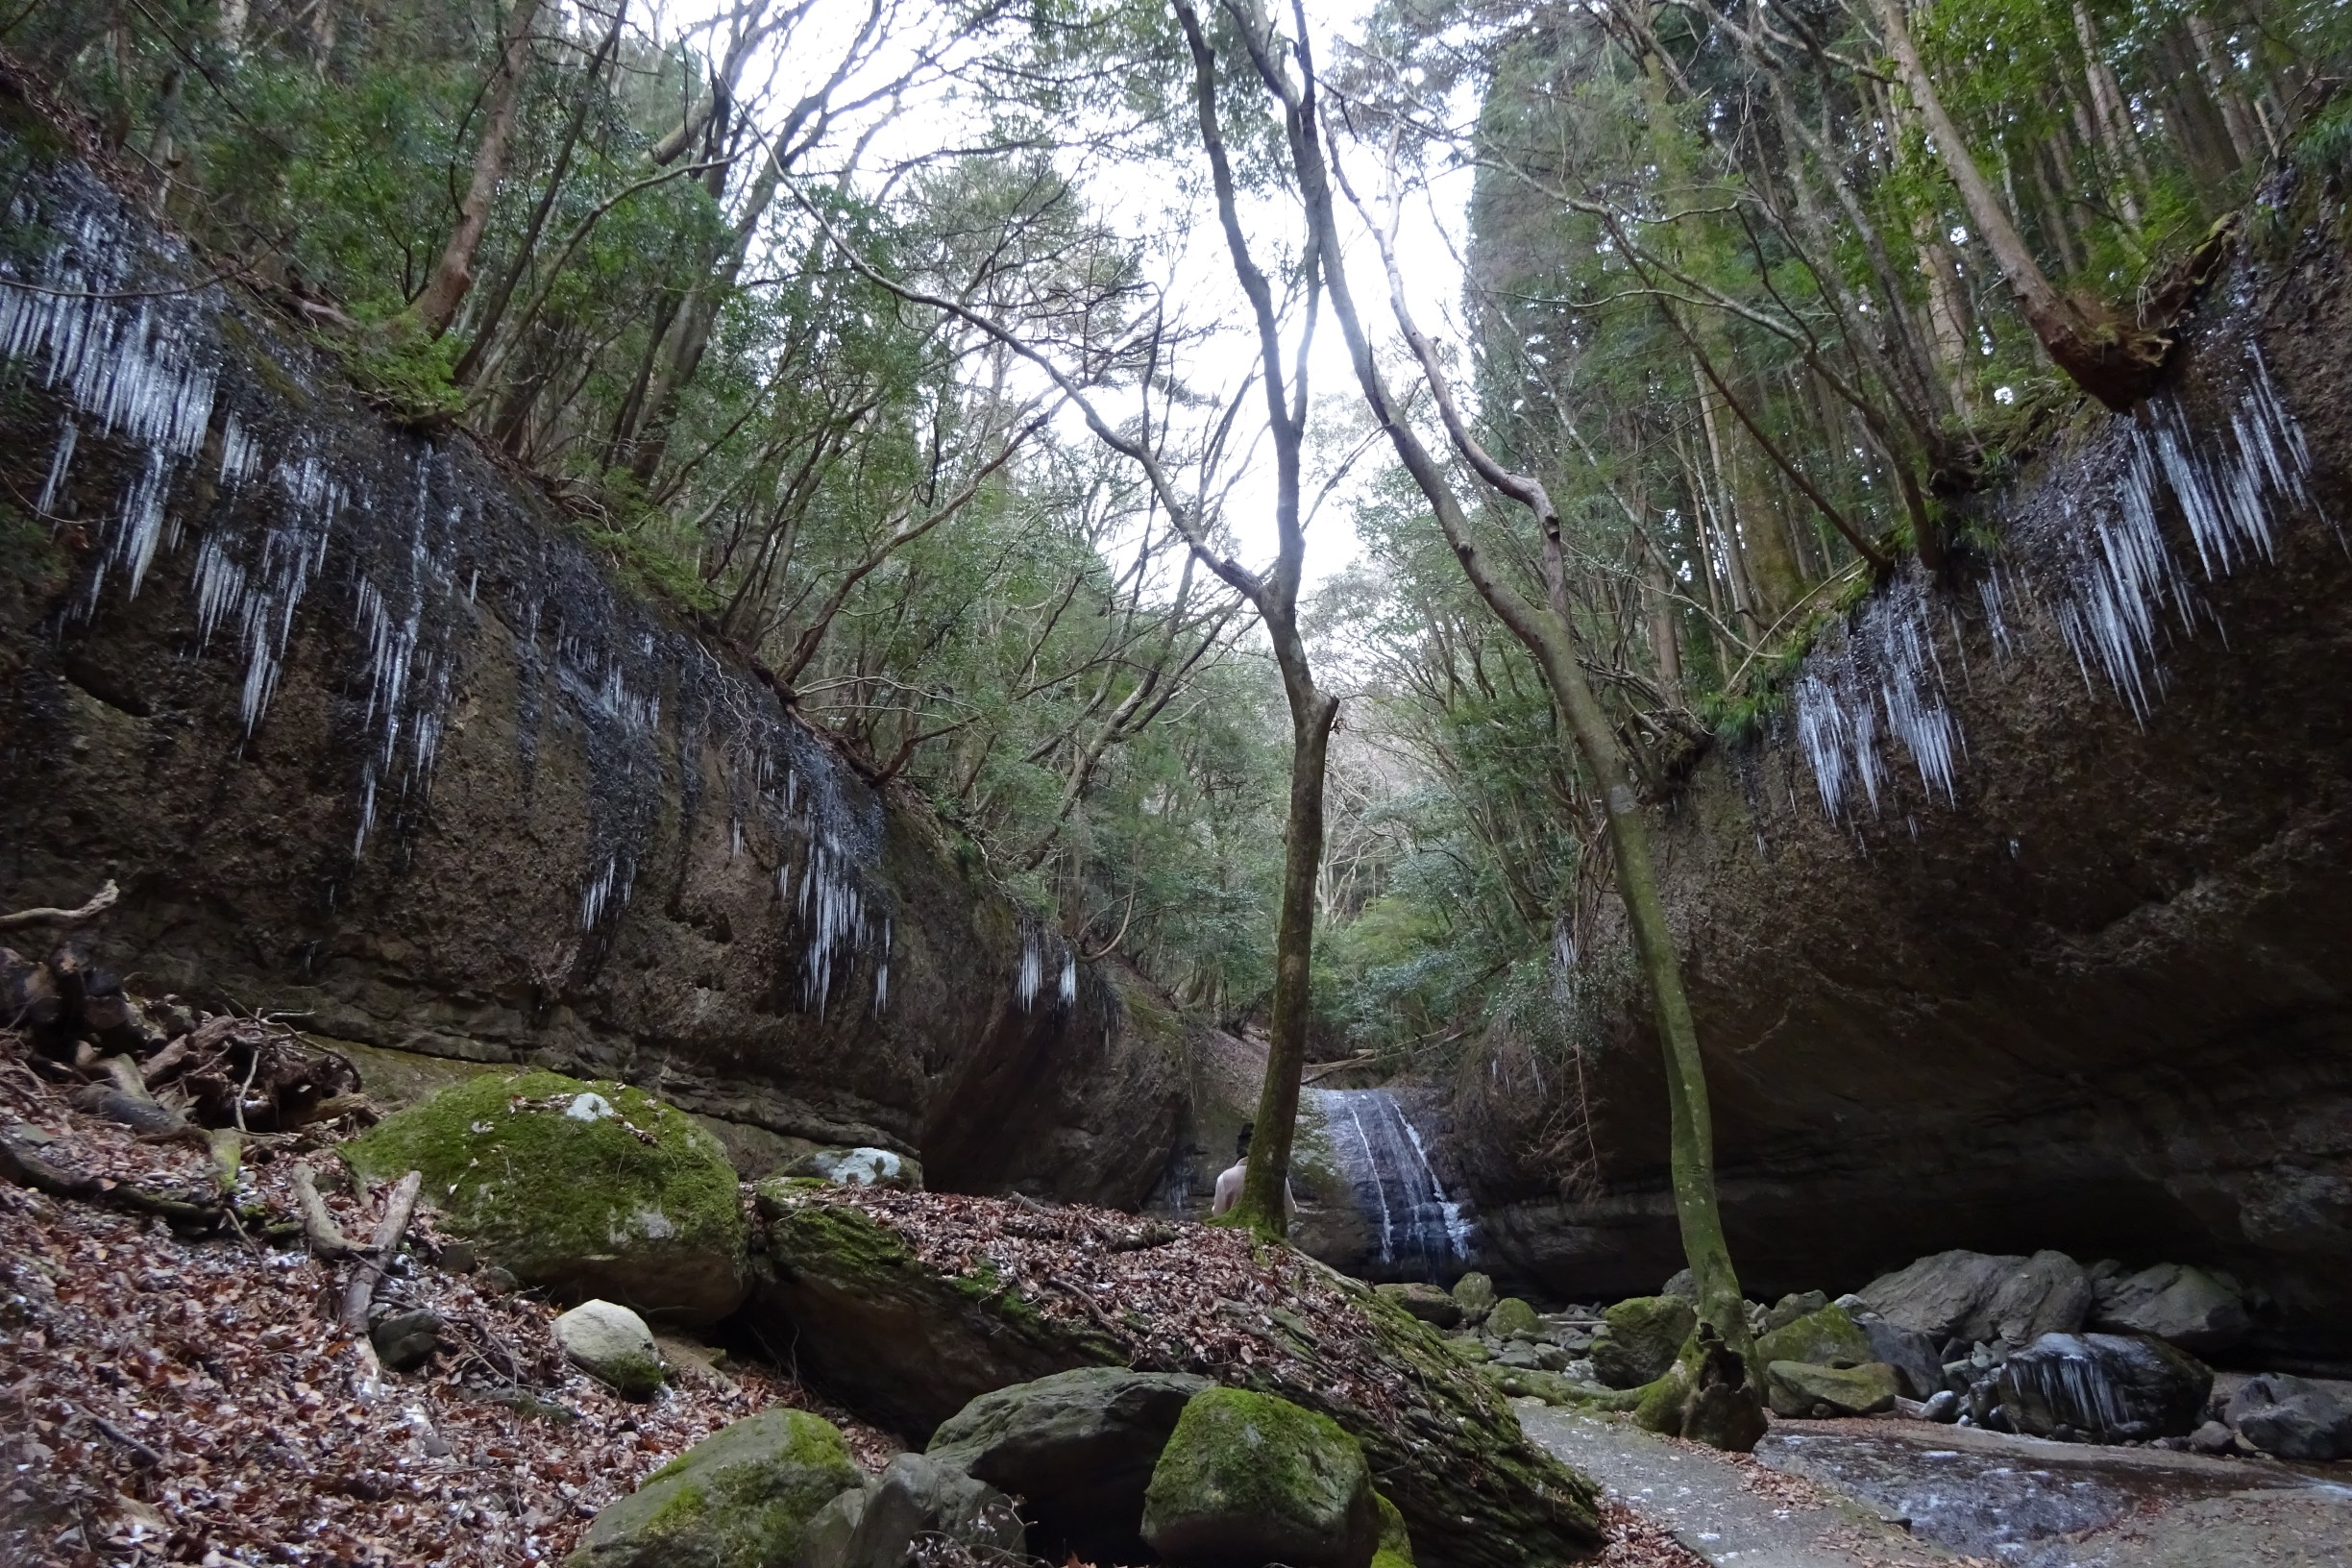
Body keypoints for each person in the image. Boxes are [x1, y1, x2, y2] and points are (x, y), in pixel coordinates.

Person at [1210, 1124, 1296, 1218]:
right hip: (1266, 1232)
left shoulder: (1224, 1178)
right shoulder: (1277, 1176)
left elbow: (1218, 1215)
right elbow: (1290, 1211)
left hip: (1233, 1230)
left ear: (1239, 1148)